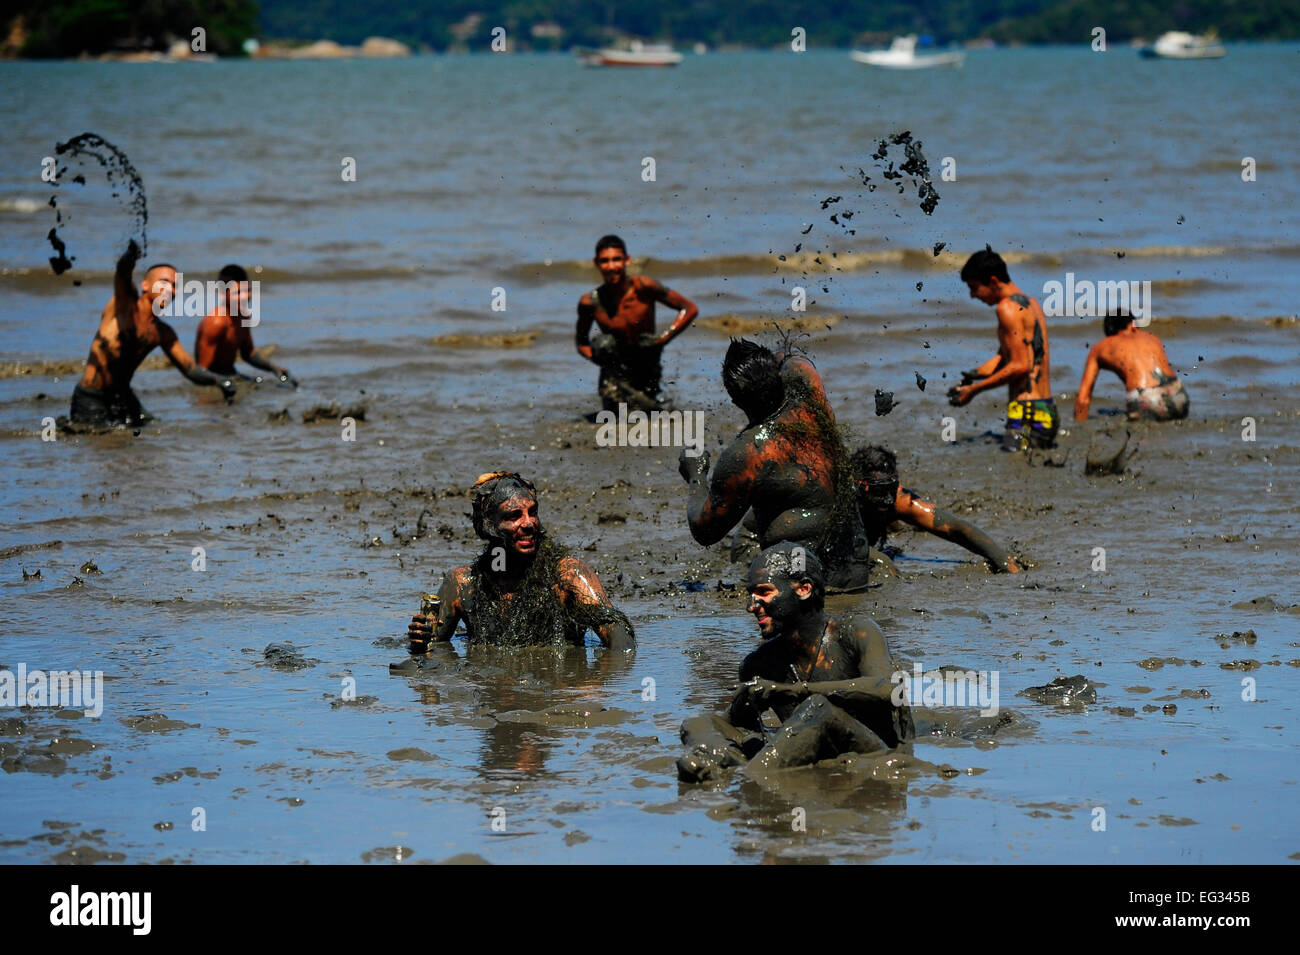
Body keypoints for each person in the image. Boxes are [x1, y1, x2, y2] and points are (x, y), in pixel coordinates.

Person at [676, 543, 913, 782]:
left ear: (804, 589)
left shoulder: (855, 632)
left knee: (817, 708)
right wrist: (740, 711)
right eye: (750, 595)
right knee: (698, 721)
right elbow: (738, 726)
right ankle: (725, 763)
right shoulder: (758, 665)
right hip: (810, 757)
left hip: (875, 751)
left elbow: (887, 688)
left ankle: (749, 780)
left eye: (764, 592)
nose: (751, 606)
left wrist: (791, 691)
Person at [679, 339, 868, 592]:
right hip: (855, 573)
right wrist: (766, 361)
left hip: (801, 587)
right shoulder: (807, 386)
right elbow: (792, 357)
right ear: (778, 375)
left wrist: (696, 475)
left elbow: (705, 531)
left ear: (735, 401)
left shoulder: (748, 453)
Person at [406, 472, 635, 652]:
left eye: (532, 512)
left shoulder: (568, 576)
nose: (528, 523)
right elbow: (431, 649)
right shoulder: (461, 585)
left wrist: (587, 692)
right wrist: (419, 641)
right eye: (514, 516)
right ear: (489, 527)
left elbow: (621, 643)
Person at [69, 240, 236, 427]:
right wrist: (130, 256)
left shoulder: (163, 333)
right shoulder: (124, 306)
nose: (170, 290)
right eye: (164, 282)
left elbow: (190, 369)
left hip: (123, 397)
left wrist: (220, 380)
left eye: (174, 286)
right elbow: (123, 273)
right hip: (92, 398)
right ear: (146, 285)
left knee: (155, 433)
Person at [948, 248, 1057, 450]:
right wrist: (972, 376)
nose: (972, 296)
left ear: (993, 281)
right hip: (1046, 409)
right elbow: (1006, 358)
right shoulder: (1031, 303)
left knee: (1017, 476)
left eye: (974, 287)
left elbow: (1021, 366)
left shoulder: (1006, 308)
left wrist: (974, 391)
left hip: (1026, 413)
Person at [575, 235, 698, 412]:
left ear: (627, 260)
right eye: (605, 261)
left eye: (616, 259)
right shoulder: (591, 302)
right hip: (614, 369)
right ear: (596, 263)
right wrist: (599, 359)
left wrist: (663, 339)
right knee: (614, 422)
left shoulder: (644, 287)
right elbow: (581, 342)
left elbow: (689, 309)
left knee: (650, 414)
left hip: (647, 362)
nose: (611, 266)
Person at [852, 445, 1021, 573]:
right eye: (879, 491)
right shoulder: (841, 501)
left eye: (891, 489)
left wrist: (1003, 560)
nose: (887, 498)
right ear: (857, 485)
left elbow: (953, 528)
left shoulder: (899, 499)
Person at [1073, 311, 1189, 422]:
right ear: (1132, 324)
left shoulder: (1100, 348)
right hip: (1178, 394)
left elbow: (1083, 400)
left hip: (1146, 399)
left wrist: (1079, 426)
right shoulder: (1151, 337)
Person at [194, 264, 296, 386]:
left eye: (247, 291)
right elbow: (201, 372)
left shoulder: (244, 316)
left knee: (279, 386)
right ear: (222, 293)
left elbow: (248, 353)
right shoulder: (216, 323)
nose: (244, 297)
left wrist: (275, 369)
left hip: (231, 374)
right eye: (237, 293)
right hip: (215, 380)